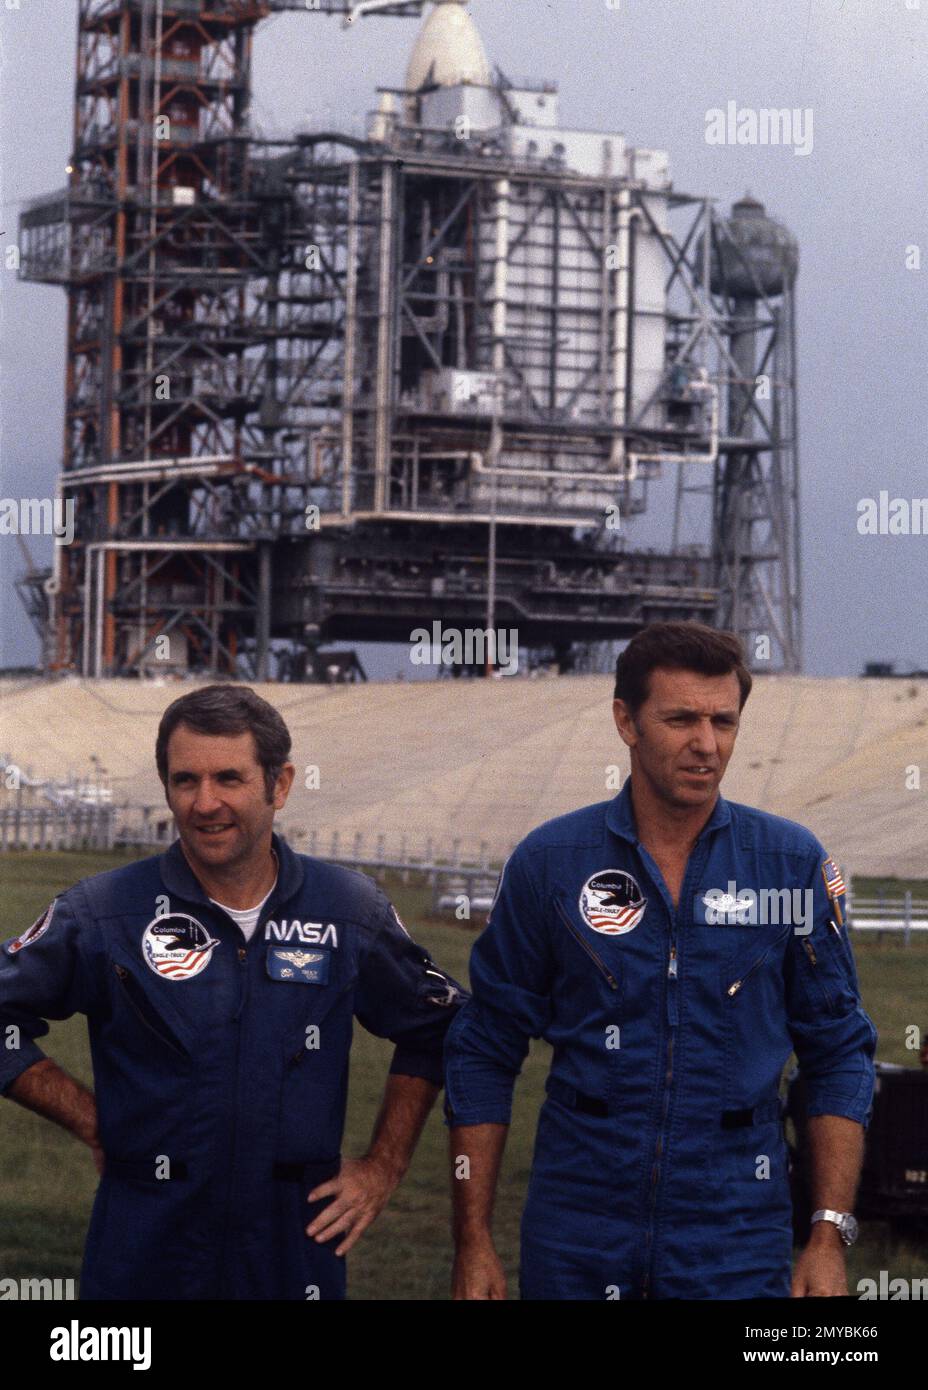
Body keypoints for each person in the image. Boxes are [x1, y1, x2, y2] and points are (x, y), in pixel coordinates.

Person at [444, 621, 877, 1300]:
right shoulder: (552, 863)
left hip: (734, 1235)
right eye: (681, 720)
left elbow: (840, 1052)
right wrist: (472, 1240)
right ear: (626, 721)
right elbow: (484, 1049)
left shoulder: (789, 865)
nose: (706, 744)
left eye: (723, 722)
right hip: (578, 1231)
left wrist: (828, 1235)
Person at [0, 684, 465, 1300]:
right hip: (145, 1247)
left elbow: (439, 1025)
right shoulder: (107, 911)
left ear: (280, 784)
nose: (205, 803)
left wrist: (384, 1165)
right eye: (184, 780)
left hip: (292, 1251)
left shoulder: (347, 910)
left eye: (228, 778)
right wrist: (93, 1120)